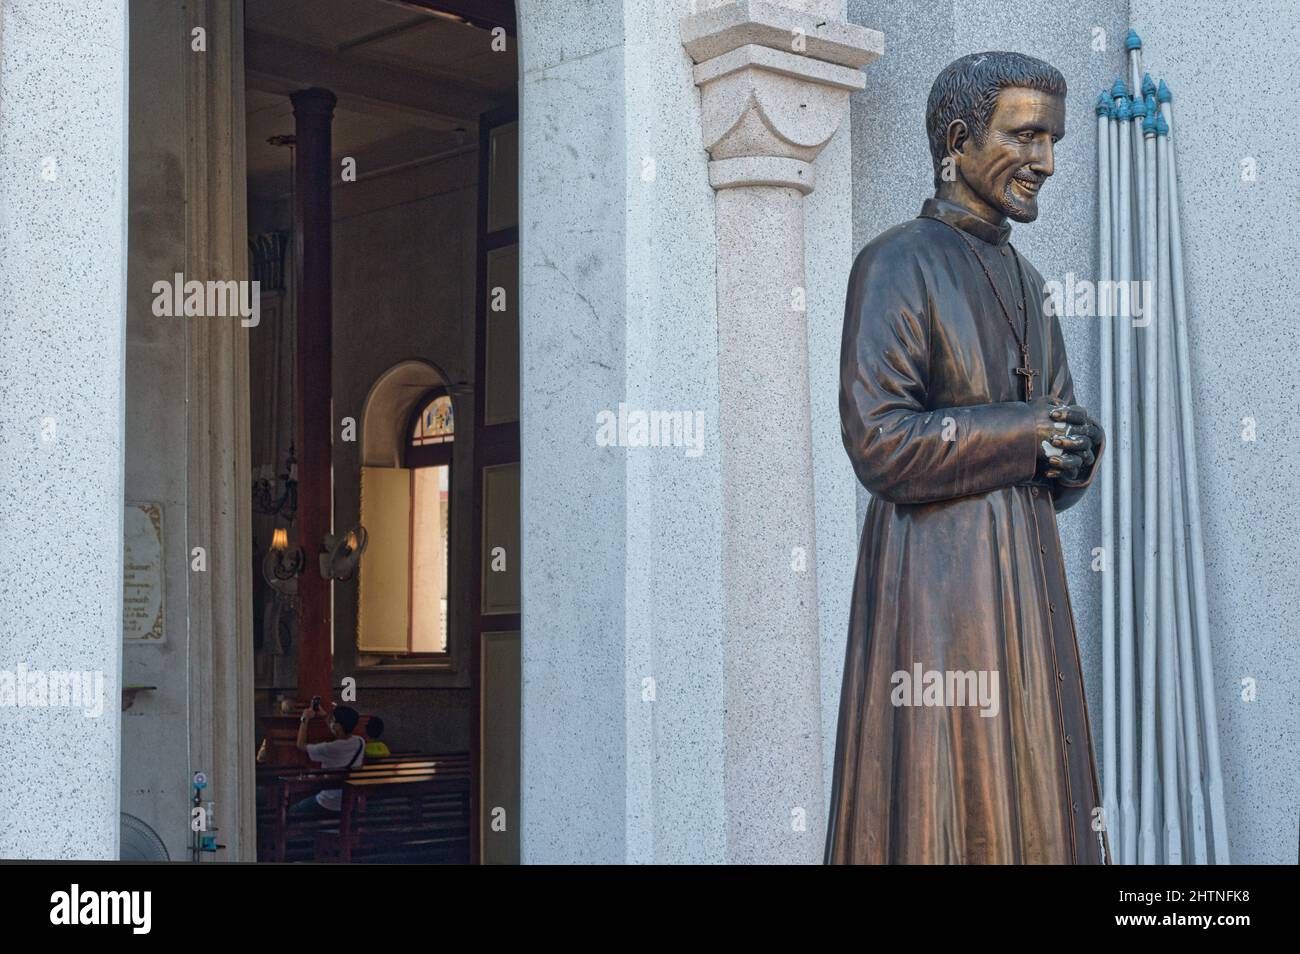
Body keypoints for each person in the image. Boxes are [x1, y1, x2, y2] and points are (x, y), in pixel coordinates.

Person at [825, 51, 1109, 864]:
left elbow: (1053, 426)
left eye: (1051, 140)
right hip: (934, 588)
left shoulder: (1031, 284)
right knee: (942, 797)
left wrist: (1076, 450)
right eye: (1025, 136)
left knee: (1036, 792)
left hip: (1026, 578)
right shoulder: (895, 264)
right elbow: (878, 441)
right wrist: (1026, 434)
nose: (1045, 161)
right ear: (957, 139)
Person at [287, 702, 366, 817]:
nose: (331, 723)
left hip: (329, 802)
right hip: (350, 801)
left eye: (333, 721)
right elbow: (338, 732)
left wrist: (305, 718)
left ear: (338, 726)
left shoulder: (330, 748)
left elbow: (300, 745)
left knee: (292, 812)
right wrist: (325, 716)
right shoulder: (360, 742)